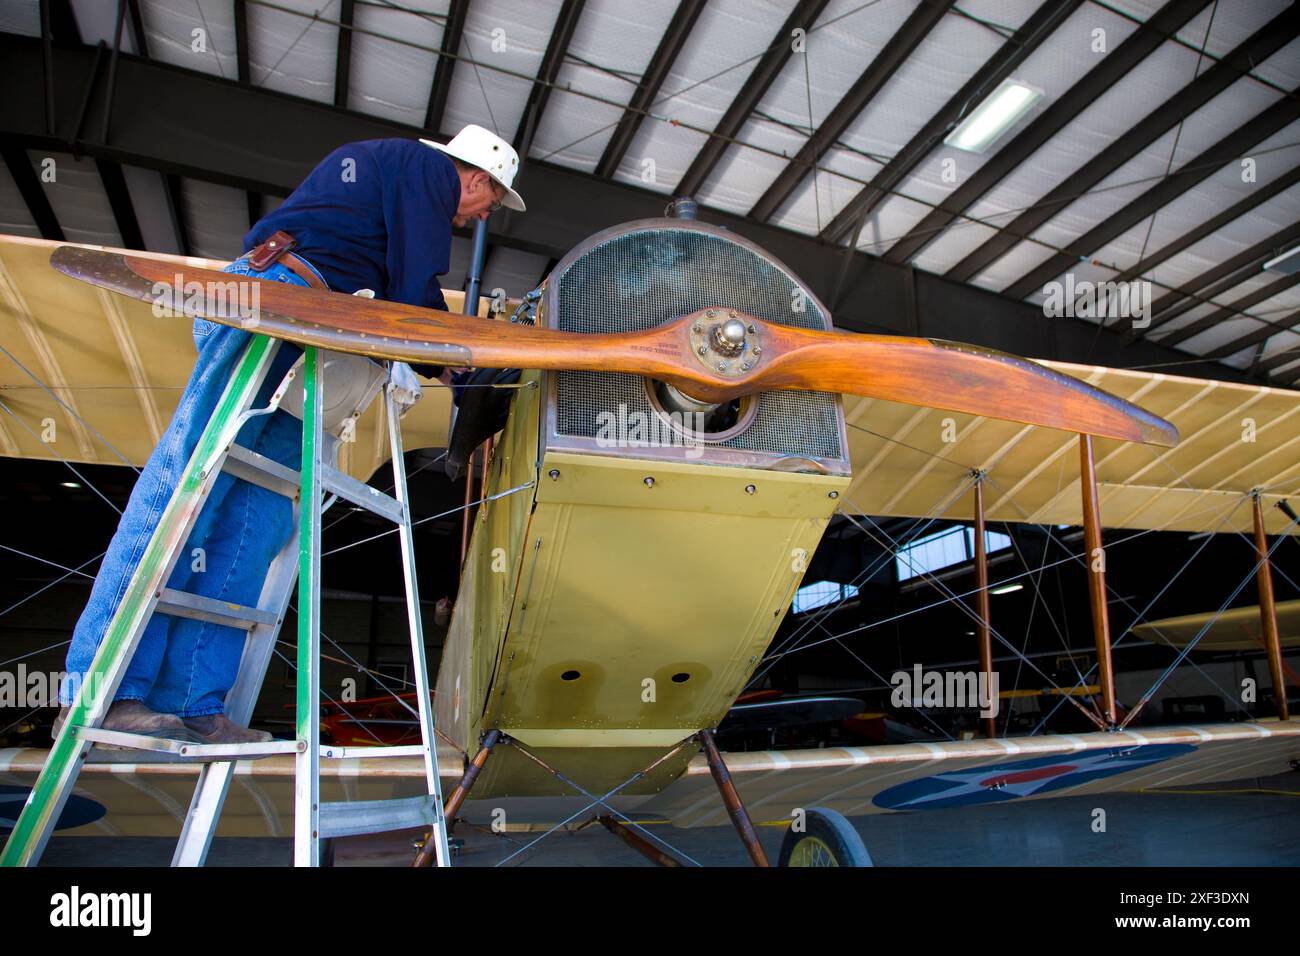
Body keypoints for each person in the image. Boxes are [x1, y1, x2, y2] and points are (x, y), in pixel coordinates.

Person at [58, 125, 526, 744]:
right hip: (281, 298)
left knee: (255, 522)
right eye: (488, 203)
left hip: (317, 334)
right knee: (188, 493)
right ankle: (103, 689)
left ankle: (194, 700)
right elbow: (413, 292)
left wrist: (447, 361)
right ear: (475, 176)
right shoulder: (423, 170)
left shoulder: (394, 187)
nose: (476, 217)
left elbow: (395, 295)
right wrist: (460, 359)